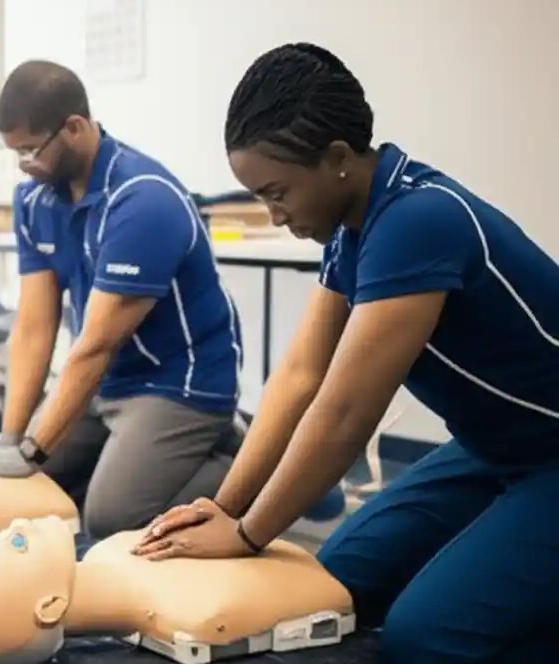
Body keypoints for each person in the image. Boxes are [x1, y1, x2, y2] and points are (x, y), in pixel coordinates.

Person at [133, 42, 559, 663]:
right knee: (334, 584)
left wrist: (249, 534)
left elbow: (343, 414)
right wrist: (223, 506)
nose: (273, 215)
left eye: (276, 193)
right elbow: (302, 377)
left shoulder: (420, 220)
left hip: (550, 455)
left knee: (428, 636)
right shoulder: (351, 226)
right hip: (495, 450)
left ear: (336, 159)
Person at [0, 60, 243, 539]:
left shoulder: (144, 200)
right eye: (14, 154)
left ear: (75, 128)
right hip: (105, 383)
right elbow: (35, 327)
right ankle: (161, 458)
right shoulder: (34, 200)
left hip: (176, 384)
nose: (24, 166)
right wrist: (11, 438)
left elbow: (96, 345)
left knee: (111, 520)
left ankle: (254, 463)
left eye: (31, 151)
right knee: (30, 494)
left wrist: (33, 450)